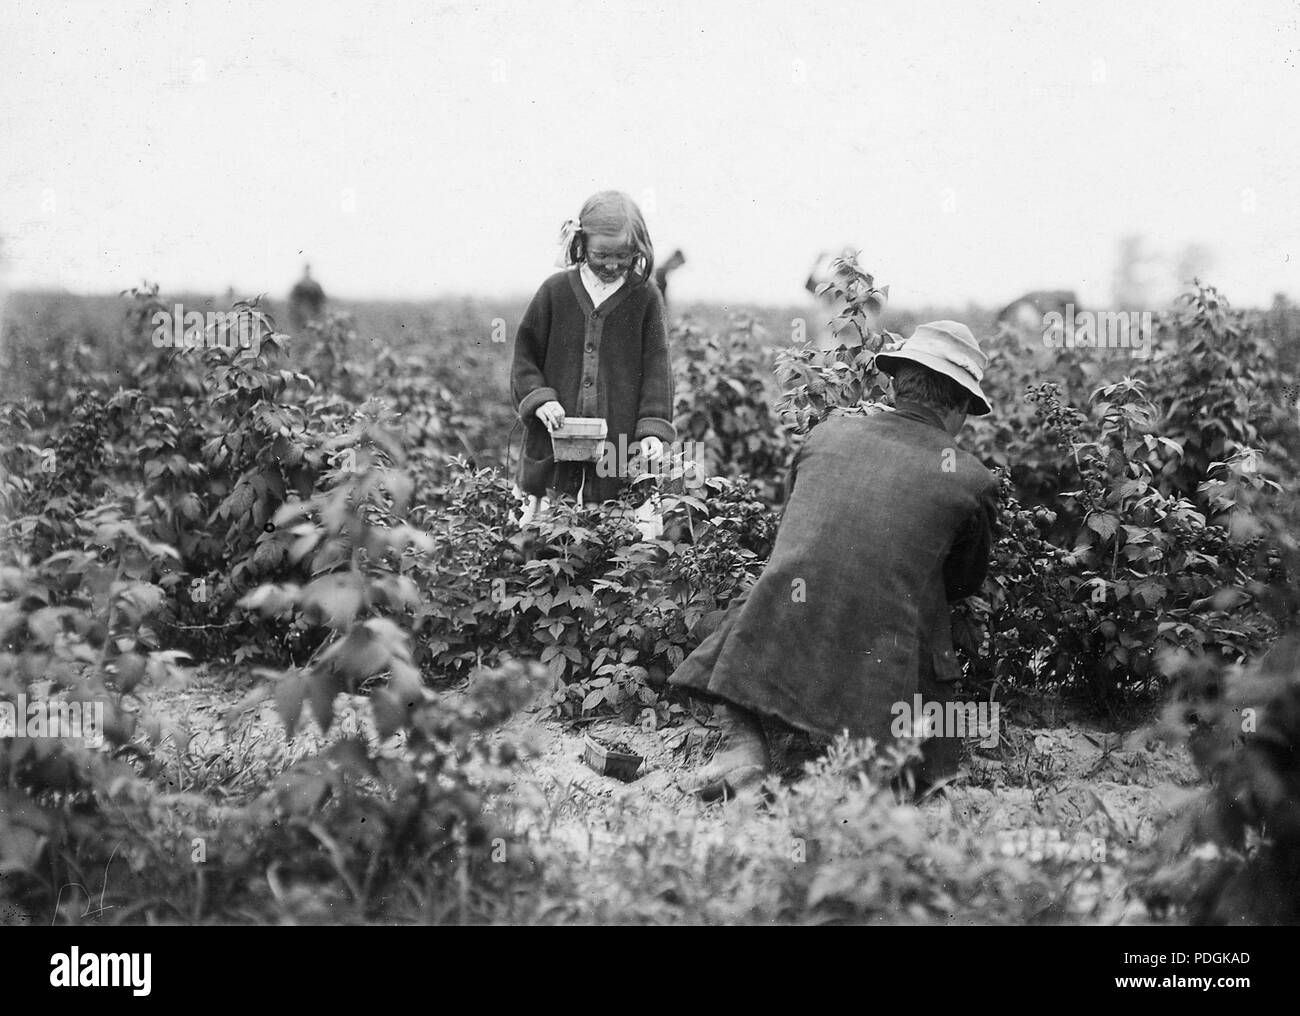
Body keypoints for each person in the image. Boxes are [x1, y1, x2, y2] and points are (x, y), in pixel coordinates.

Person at [669, 321, 999, 800]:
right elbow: (964, 583)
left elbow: (796, 533)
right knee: (919, 609)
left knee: (770, 591)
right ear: (962, 406)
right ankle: (862, 772)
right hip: (882, 659)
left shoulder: (826, 435)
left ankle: (745, 747)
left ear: (895, 381)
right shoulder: (971, 478)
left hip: (783, 622)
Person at [511, 191, 676, 521]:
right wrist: (541, 399)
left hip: (619, 451)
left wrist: (653, 432)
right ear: (582, 244)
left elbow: (658, 370)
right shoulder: (554, 292)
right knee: (545, 544)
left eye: (624, 255)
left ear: (638, 250)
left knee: (618, 546)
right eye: (602, 254)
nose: (613, 264)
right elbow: (524, 357)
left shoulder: (645, 298)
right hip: (554, 449)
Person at [288, 264, 326, 331]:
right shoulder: (299, 284)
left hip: (313, 313)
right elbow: (293, 300)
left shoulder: (315, 285)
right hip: (301, 313)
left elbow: (322, 300)